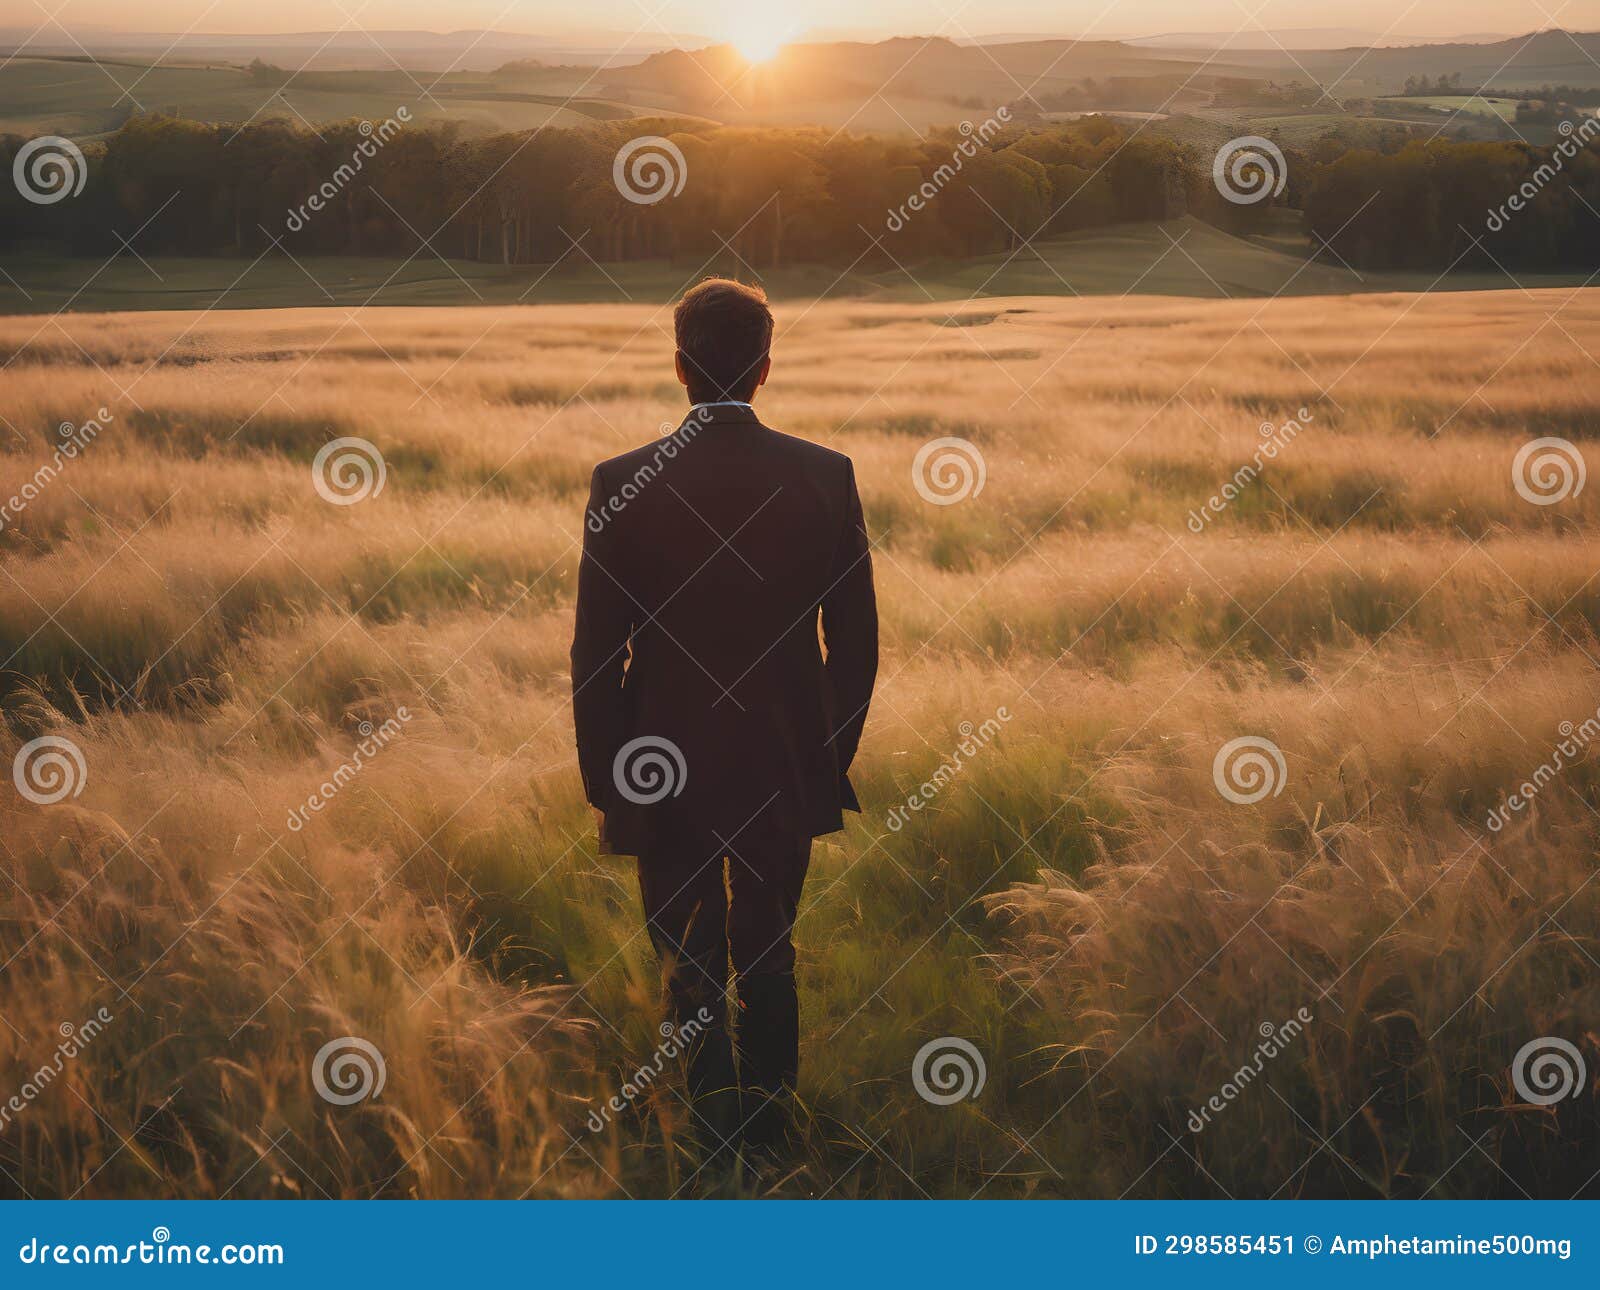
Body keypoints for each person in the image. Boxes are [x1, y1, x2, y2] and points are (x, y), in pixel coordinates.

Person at [570, 278, 878, 1166]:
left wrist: (609, 779)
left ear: (679, 366)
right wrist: (824, 755)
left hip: (659, 764)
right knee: (771, 948)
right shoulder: (825, 475)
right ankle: (773, 1130)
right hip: (784, 758)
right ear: (765, 368)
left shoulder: (621, 482)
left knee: (686, 960)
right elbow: (856, 644)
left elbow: (597, 655)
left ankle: (707, 1135)